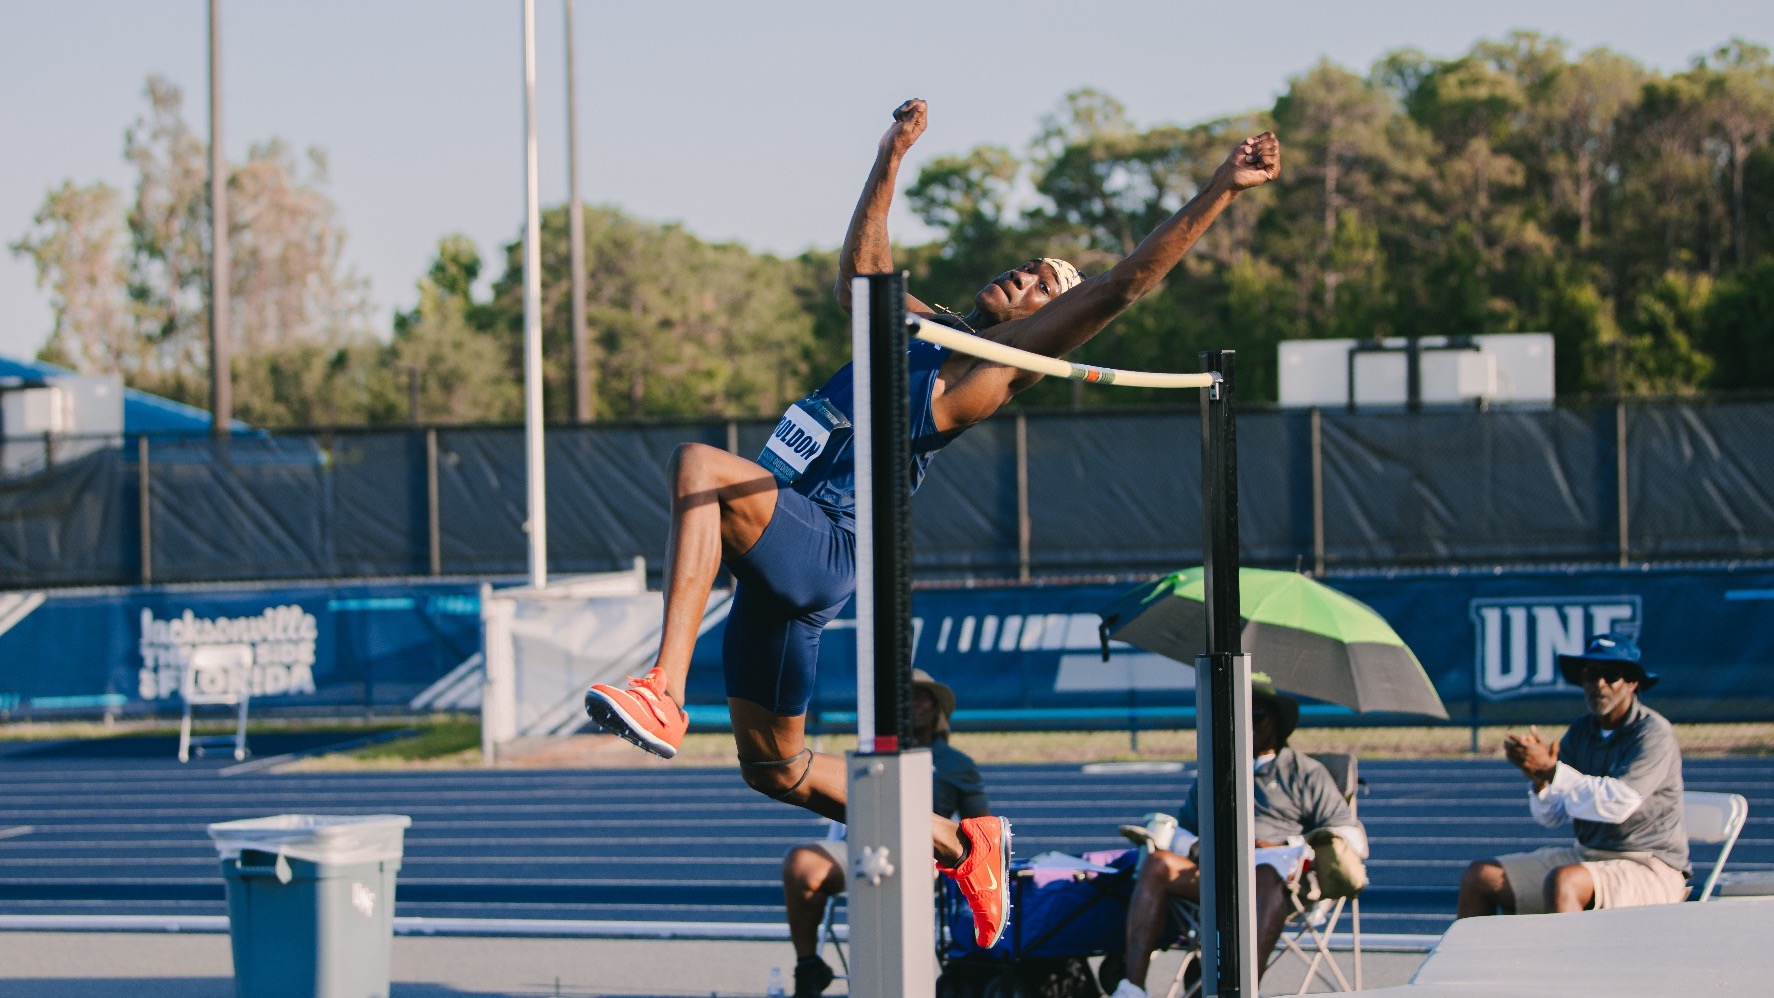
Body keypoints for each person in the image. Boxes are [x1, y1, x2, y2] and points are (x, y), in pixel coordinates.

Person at [585, 97, 1281, 950]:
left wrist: (1222, 187)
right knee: (774, 769)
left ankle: (663, 687)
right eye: (1026, 265)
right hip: (779, 551)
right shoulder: (921, 328)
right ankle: (964, 844)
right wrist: (888, 160)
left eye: (1040, 283)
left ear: (1042, 320)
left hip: (822, 539)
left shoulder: (998, 366)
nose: (1024, 276)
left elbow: (1124, 282)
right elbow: (859, 279)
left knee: (700, 467)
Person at [1109, 687, 1367, 998]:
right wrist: (1197, 849)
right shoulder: (1217, 771)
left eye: (1257, 716)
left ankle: (1237, 991)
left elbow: (1346, 834)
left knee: (1264, 875)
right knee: (1158, 862)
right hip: (1217, 871)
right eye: (1241, 718)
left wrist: (1286, 846)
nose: (1250, 725)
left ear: (1276, 721)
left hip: (1279, 877)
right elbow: (1183, 829)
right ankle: (1132, 988)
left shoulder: (1305, 772)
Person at [781, 669, 988, 998]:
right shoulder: (870, 753)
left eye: (923, 697)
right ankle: (808, 967)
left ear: (937, 710)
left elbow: (979, 830)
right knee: (802, 863)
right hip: (861, 849)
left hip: (924, 860)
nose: (915, 704)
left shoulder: (956, 764)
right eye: (907, 697)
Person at [1456, 632, 1689, 918]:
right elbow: (1551, 816)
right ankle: (1472, 964)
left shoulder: (1653, 733)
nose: (1598, 685)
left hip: (1649, 865)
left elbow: (1619, 804)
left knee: (1564, 881)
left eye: (1610, 675)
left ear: (1632, 682)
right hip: (1586, 855)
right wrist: (1539, 779)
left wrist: (1551, 771)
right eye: (1590, 675)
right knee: (1480, 877)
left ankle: (1566, 963)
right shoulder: (1580, 732)